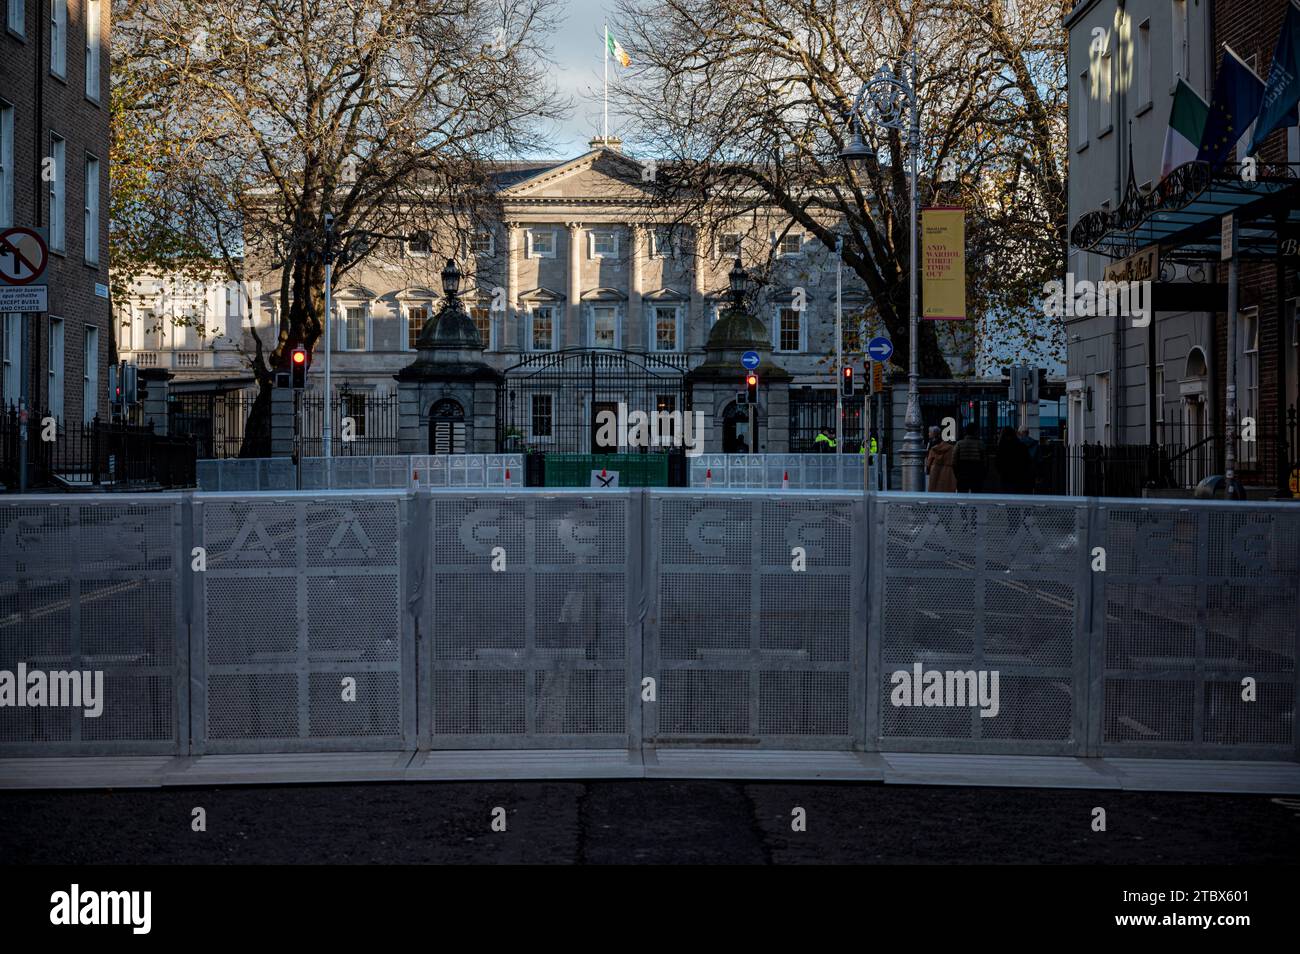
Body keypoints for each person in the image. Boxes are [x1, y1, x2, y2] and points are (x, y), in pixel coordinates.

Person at [996, 425, 1033, 494]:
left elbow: (998, 464)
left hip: (1005, 477)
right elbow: (1028, 462)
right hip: (1019, 477)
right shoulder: (1022, 447)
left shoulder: (1001, 448)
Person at [952, 424, 987, 493]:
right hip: (976, 473)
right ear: (975, 432)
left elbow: (954, 461)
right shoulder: (981, 444)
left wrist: (957, 474)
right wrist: (983, 474)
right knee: (976, 495)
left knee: (962, 495)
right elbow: (985, 462)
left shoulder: (959, 444)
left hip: (962, 472)